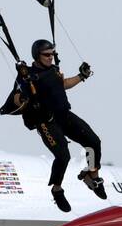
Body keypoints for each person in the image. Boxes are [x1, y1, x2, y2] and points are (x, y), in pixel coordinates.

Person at [6, 38, 105, 211]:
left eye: (52, 54)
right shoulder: (27, 75)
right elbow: (15, 97)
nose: (50, 57)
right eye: (46, 55)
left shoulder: (53, 70)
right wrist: (23, 97)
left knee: (93, 142)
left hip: (64, 116)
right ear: (37, 56)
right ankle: (57, 189)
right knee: (63, 156)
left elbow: (63, 84)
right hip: (46, 121)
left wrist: (82, 76)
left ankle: (92, 175)